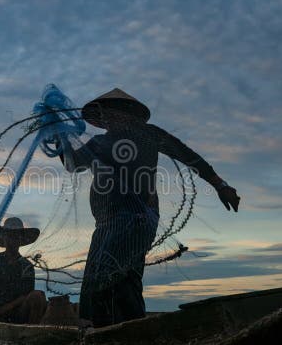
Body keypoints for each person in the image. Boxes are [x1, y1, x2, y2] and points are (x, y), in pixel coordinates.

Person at [60, 88, 241, 328]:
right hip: (104, 222)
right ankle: (114, 332)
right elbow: (73, 165)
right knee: (110, 276)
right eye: (104, 114)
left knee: (112, 274)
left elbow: (188, 156)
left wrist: (220, 184)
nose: (108, 117)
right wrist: (59, 139)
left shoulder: (148, 134)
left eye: (113, 112)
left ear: (127, 113)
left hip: (137, 217)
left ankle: (121, 331)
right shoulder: (99, 142)